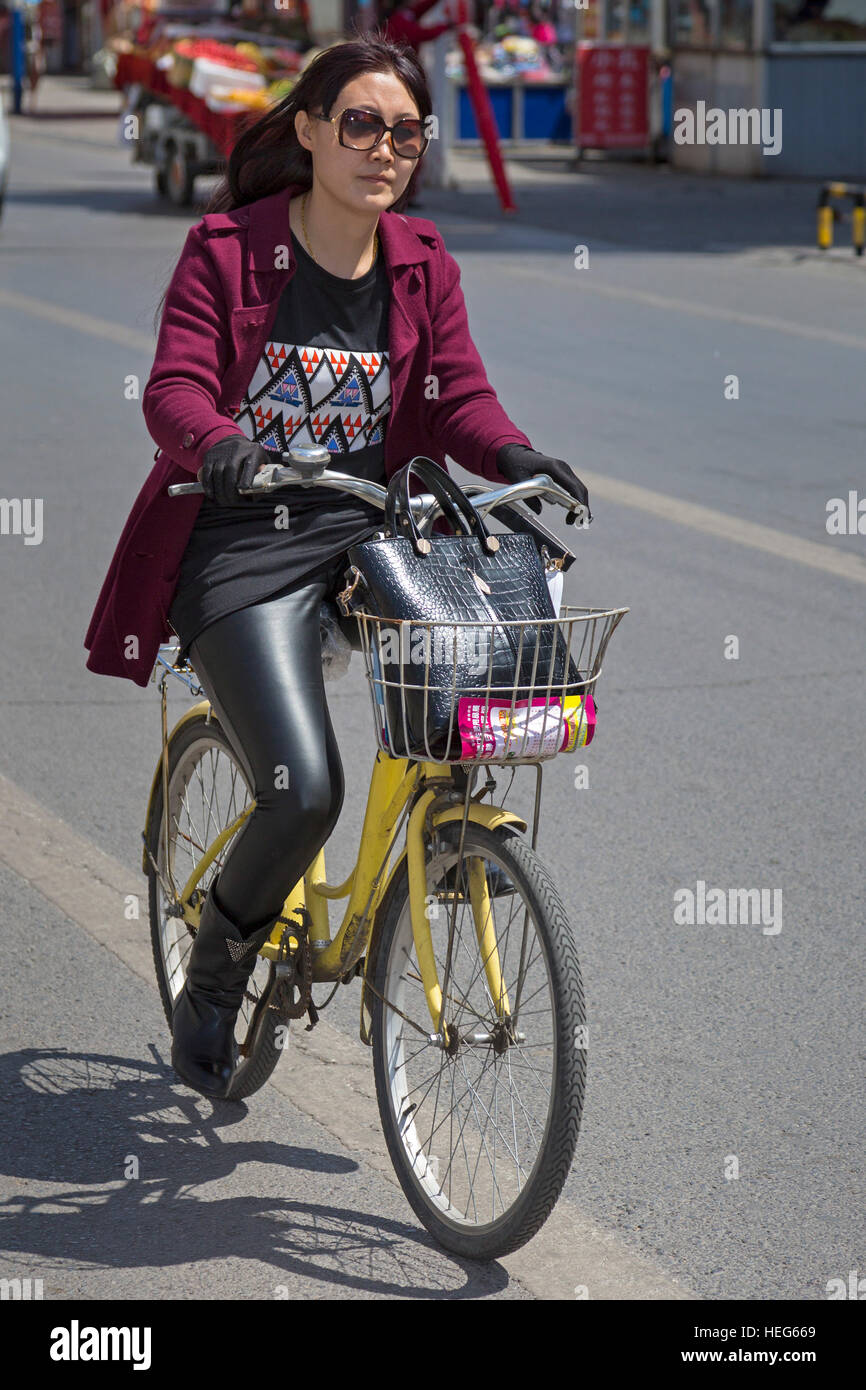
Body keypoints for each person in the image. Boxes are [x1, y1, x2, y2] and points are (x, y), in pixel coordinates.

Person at [83, 31, 589, 1100]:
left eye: (404, 131)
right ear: (309, 132)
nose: (383, 150)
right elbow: (172, 388)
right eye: (359, 125)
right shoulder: (229, 249)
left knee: (468, 695)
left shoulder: (419, 259)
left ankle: (412, 861)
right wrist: (220, 445)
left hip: (368, 534)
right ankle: (215, 975)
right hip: (240, 545)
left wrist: (511, 452)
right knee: (302, 785)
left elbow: (454, 394)